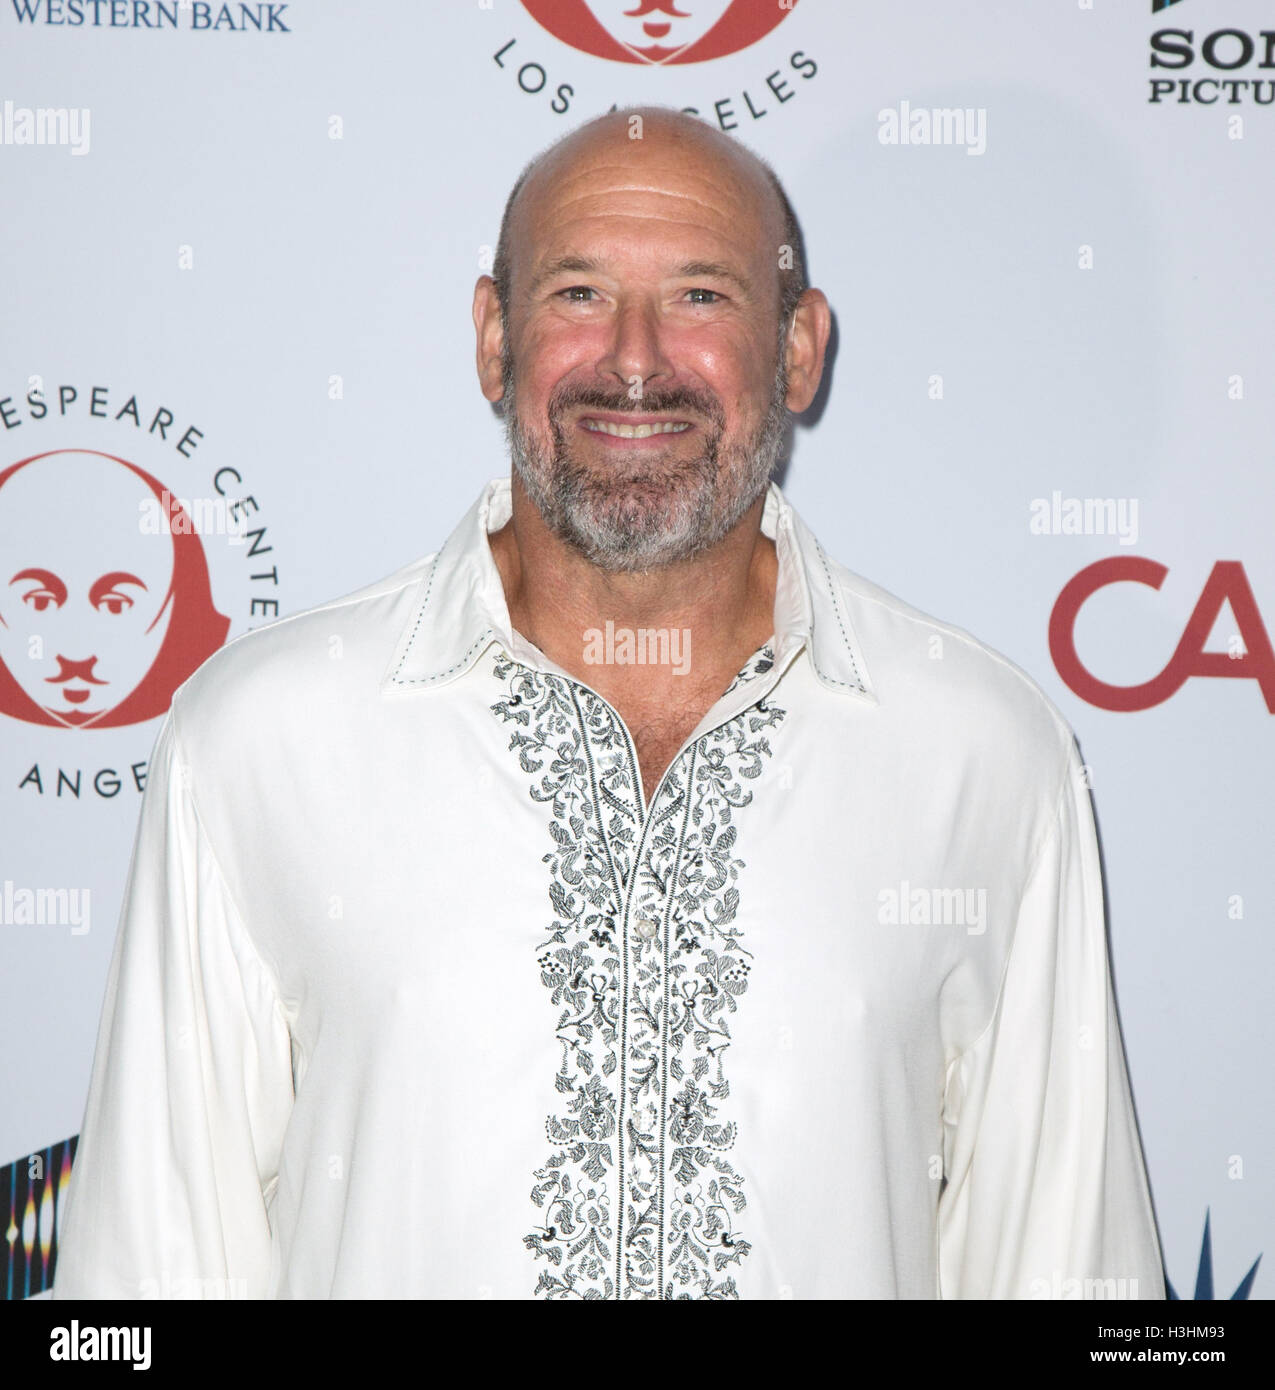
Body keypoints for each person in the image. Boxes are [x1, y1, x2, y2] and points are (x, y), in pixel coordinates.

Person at [52, 106, 1165, 1300]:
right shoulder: (264, 738)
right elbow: (149, 1276)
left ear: (799, 348)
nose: (635, 361)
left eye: (700, 298)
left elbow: (1068, 1268)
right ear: (494, 337)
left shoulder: (981, 753)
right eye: (579, 293)